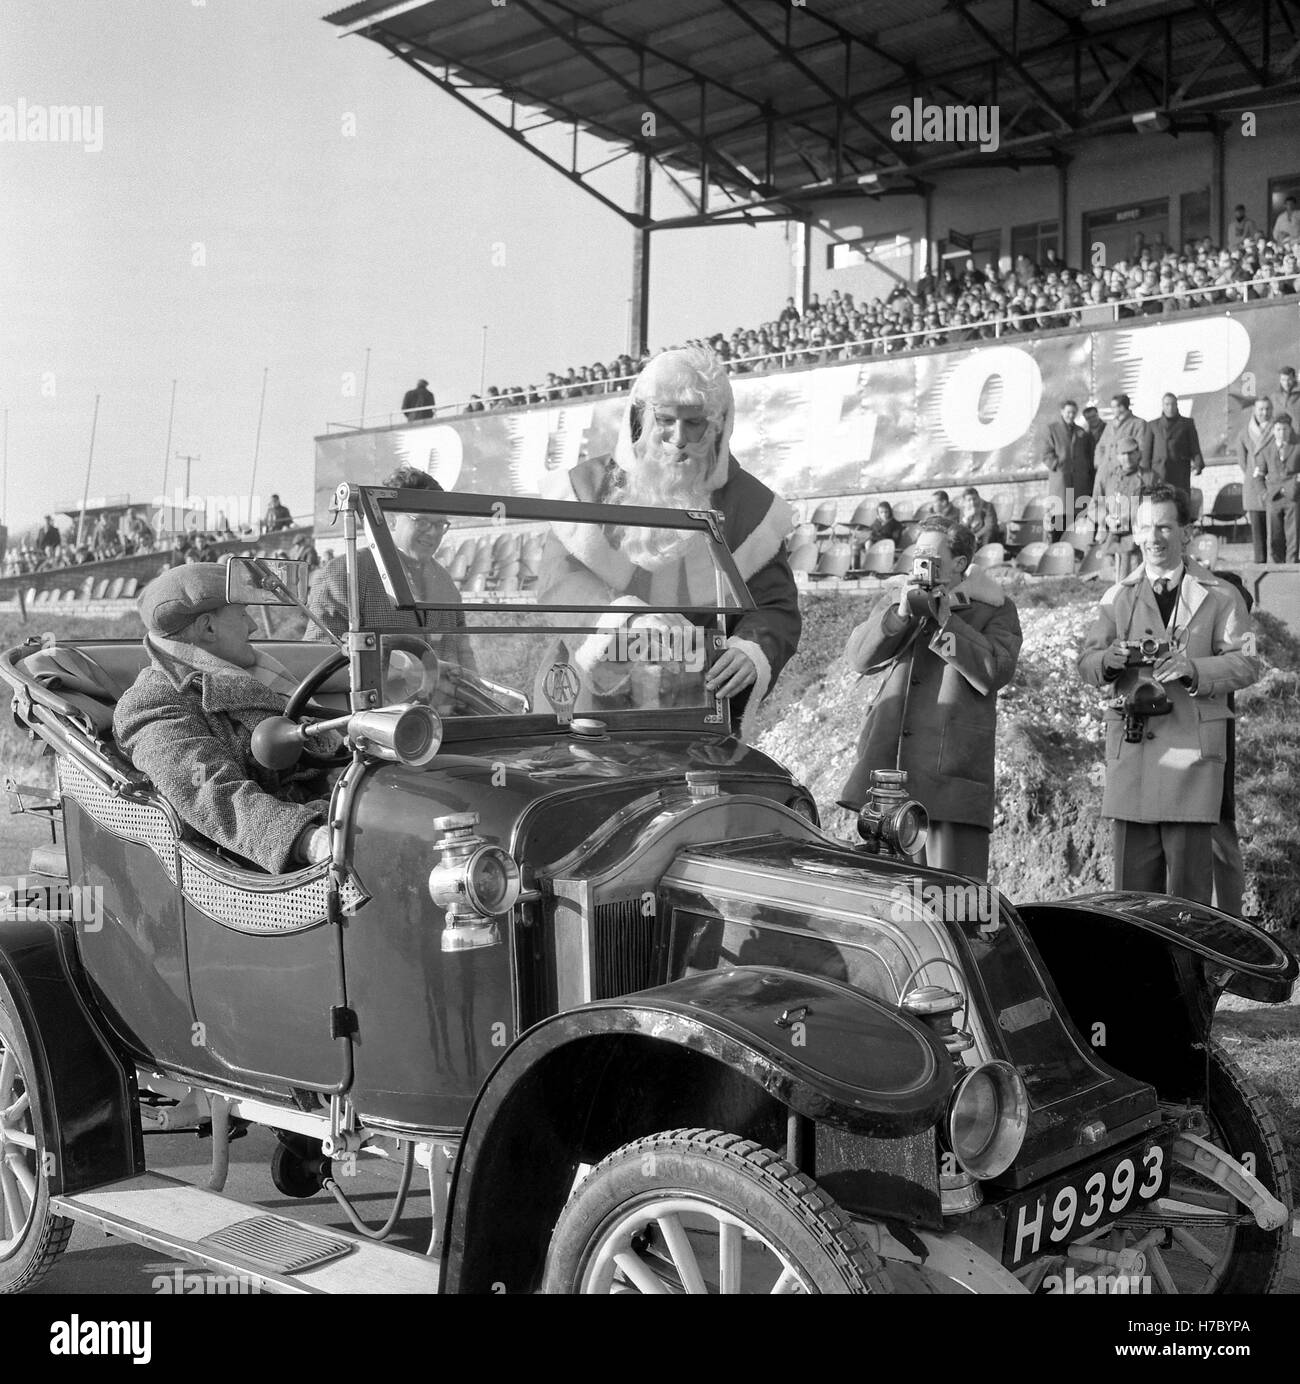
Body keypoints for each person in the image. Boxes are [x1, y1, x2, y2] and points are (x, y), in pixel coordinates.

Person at [538, 345, 800, 738]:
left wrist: (751, 649)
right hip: (586, 705)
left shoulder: (751, 507)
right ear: (640, 418)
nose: (678, 439)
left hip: (693, 712)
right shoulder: (586, 489)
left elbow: (775, 607)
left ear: (719, 426)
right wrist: (627, 618)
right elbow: (559, 582)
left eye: (694, 423)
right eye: (666, 420)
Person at [1078, 485, 1258, 904]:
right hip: (1134, 762)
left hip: (1192, 766)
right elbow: (1086, 660)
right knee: (1130, 906)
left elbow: (1249, 661)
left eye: (1164, 527)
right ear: (1135, 534)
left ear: (1186, 533)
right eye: (1145, 527)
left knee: (1190, 906)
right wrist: (1109, 659)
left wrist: (1194, 668)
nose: (1153, 538)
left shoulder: (1224, 596)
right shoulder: (1115, 597)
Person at [114, 565, 335, 875]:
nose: (254, 626)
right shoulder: (153, 703)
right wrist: (308, 840)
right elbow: (207, 788)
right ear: (208, 629)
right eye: (242, 614)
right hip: (267, 873)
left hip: (341, 815)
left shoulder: (257, 674)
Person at [839, 517, 1022, 880]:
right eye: (917, 552)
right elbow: (859, 658)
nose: (920, 561)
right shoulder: (897, 599)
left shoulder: (994, 608)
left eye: (930, 553)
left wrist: (946, 623)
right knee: (891, 901)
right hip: (889, 783)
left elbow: (995, 671)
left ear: (958, 563)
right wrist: (899, 616)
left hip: (951, 783)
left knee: (952, 904)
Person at [308, 466, 475, 680]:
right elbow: (320, 663)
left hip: (445, 711)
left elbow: (464, 653)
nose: (433, 532)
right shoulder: (345, 574)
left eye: (440, 524)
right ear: (392, 520)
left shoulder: (444, 581)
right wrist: (408, 669)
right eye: (422, 521)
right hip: (376, 711)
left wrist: (477, 692)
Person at [1043, 398, 1096, 536]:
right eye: (1068, 412)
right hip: (1061, 483)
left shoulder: (1081, 433)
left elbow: (1088, 455)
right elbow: (1046, 454)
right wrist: (1057, 465)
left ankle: (1075, 551)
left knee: (1076, 520)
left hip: (1079, 483)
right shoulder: (1052, 430)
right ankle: (1057, 548)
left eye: (1073, 412)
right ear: (1062, 412)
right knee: (1060, 520)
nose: (1070, 415)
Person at [1235, 396, 1276, 562]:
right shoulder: (1244, 432)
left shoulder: (1278, 429)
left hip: (1274, 486)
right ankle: (1260, 567)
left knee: (1276, 533)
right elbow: (1242, 461)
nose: (1264, 413)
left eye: (1267, 409)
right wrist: (1255, 474)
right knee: (1258, 535)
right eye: (1261, 409)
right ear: (1254, 410)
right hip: (1254, 487)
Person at [1150, 393, 1204, 495]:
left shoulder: (1187, 423)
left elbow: (1194, 446)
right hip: (1159, 472)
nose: (1170, 408)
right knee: (1159, 500)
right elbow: (1147, 452)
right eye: (1167, 404)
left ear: (1177, 405)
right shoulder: (1153, 425)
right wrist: (1144, 472)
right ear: (1163, 406)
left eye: (1173, 404)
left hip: (1180, 470)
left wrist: (1198, 464)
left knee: (1180, 501)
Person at [1094, 394, 1151, 488]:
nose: (1112, 410)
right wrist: (1099, 463)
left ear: (1122, 407)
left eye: (1114, 407)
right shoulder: (1110, 424)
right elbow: (1100, 445)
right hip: (1105, 470)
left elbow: (1141, 448)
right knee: (1101, 499)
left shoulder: (1138, 423)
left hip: (1124, 471)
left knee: (1121, 498)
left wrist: (1134, 467)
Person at [1265, 416, 1300, 562]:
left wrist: (1295, 486)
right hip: (1274, 498)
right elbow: (1258, 474)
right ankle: (1276, 568)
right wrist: (1263, 494)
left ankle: (1292, 567)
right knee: (1274, 535)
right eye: (1278, 429)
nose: (1281, 432)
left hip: (1293, 497)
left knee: (1293, 534)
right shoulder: (1267, 450)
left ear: (1290, 429)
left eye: (1285, 429)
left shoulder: (1297, 447)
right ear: (1273, 430)